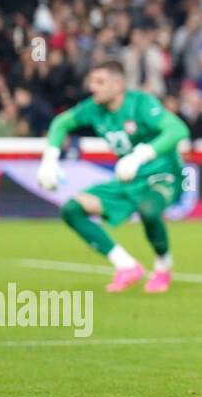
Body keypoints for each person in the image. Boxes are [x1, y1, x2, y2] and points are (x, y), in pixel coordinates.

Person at [36, 60, 190, 294]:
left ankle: (163, 266)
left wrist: (140, 155)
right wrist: (49, 159)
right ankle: (126, 265)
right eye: (92, 81)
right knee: (72, 209)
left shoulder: (140, 104)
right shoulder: (94, 108)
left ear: (118, 84)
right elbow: (61, 123)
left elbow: (178, 130)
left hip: (163, 174)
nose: (92, 87)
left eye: (100, 82)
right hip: (129, 178)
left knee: (148, 210)